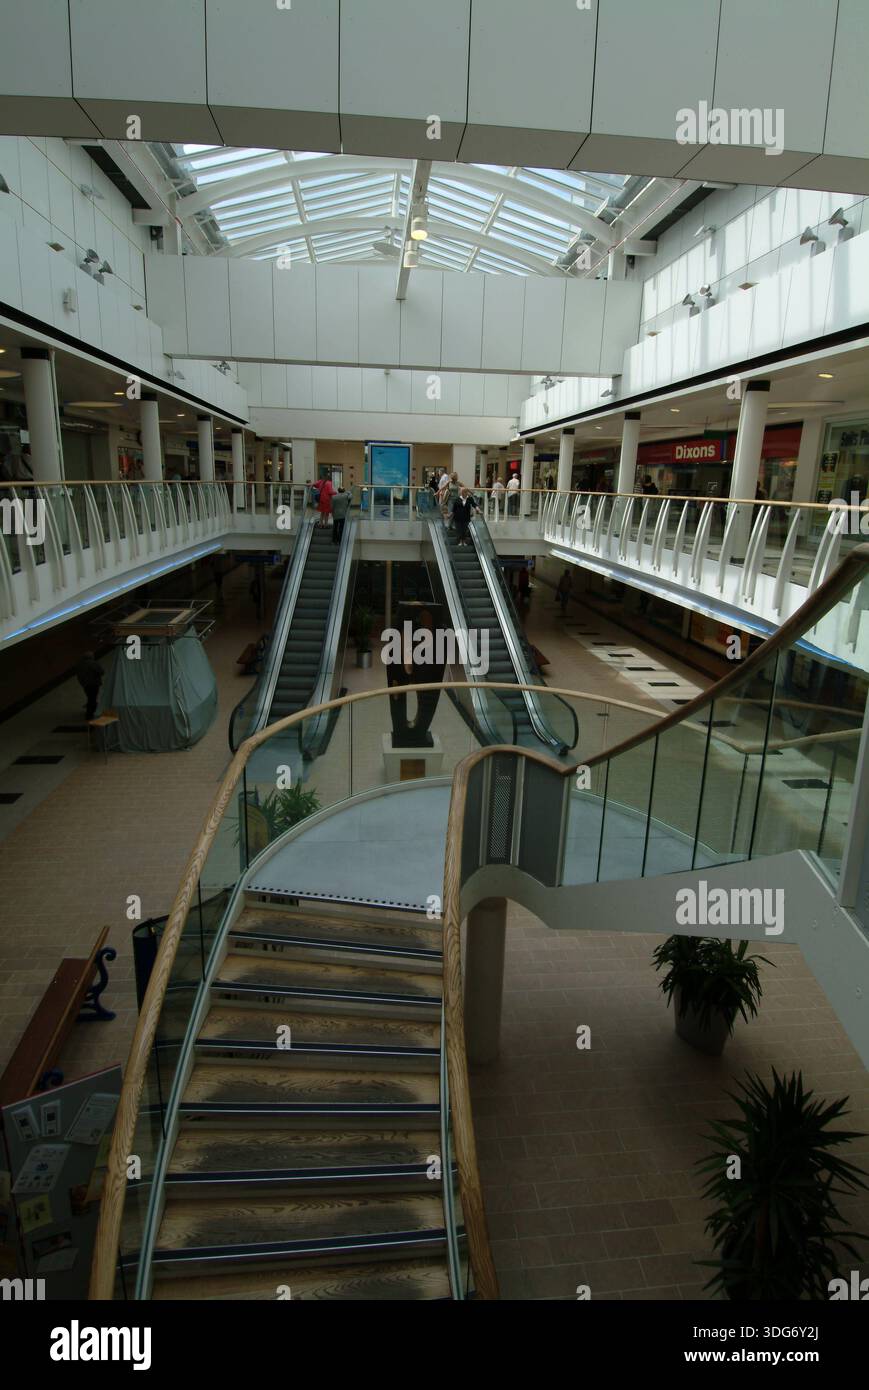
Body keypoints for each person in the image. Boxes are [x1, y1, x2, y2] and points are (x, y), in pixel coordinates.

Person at [76, 651, 104, 721]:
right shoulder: (93, 663)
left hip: (85, 684)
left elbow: (79, 675)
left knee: (90, 698)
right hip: (94, 684)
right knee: (92, 699)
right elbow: (101, 671)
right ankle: (90, 715)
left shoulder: (80, 665)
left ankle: (90, 713)